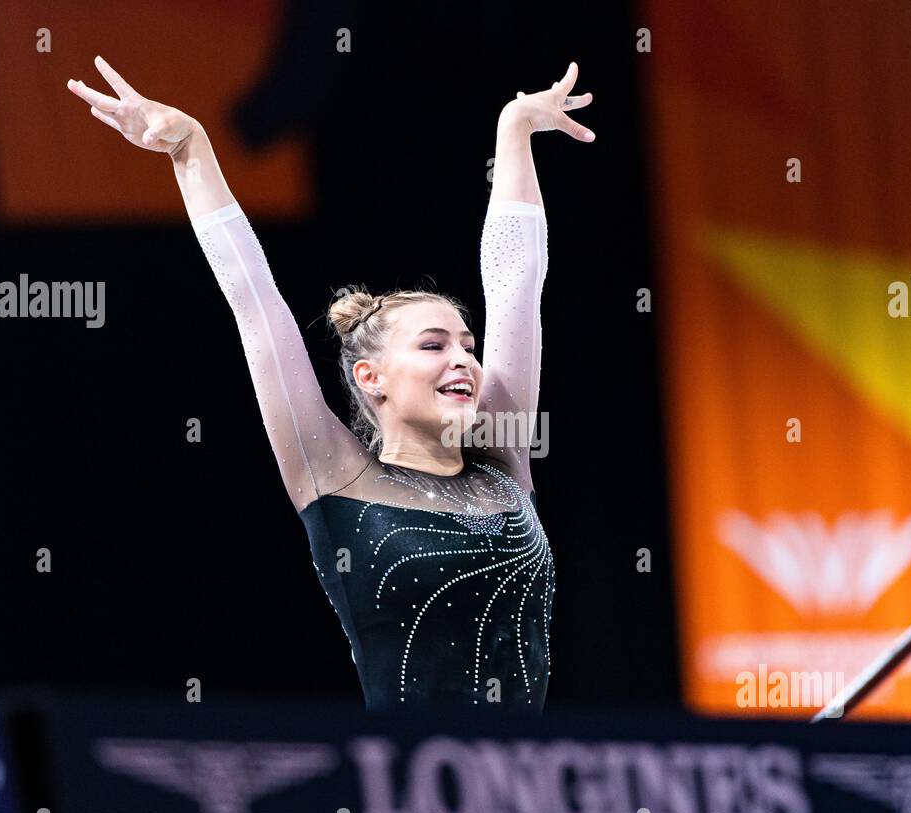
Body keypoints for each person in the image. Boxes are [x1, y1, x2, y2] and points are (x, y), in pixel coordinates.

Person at [66, 57, 594, 712]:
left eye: (467, 344)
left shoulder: (502, 465)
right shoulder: (338, 478)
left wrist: (515, 130)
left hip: (534, 794)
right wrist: (190, 150)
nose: (463, 358)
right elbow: (254, 301)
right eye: (433, 345)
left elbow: (517, 287)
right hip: (410, 799)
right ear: (370, 379)